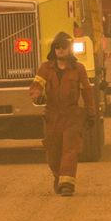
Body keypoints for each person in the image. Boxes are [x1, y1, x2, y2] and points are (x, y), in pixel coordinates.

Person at [28, 31, 98, 196]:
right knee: (53, 153)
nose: (60, 50)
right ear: (54, 49)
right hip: (52, 117)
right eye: (57, 47)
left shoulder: (79, 69)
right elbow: (36, 86)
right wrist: (37, 96)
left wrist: (91, 113)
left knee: (70, 150)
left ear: (69, 49)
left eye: (64, 47)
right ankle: (58, 177)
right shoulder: (46, 68)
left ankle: (67, 184)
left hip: (72, 116)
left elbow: (87, 92)